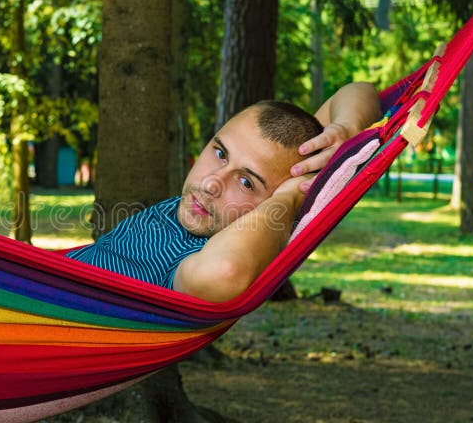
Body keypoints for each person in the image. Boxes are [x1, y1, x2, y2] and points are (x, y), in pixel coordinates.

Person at [67, 82, 380, 302]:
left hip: (46, 325)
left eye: (246, 183)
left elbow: (225, 270)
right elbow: (360, 90)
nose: (211, 183)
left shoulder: (195, 262)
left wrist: (291, 197)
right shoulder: (206, 206)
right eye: (220, 153)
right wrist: (346, 129)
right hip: (36, 291)